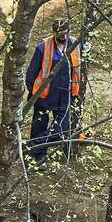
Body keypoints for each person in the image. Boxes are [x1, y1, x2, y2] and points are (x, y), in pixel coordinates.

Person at [25, 18, 81, 164]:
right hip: (44, 96)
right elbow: (31, 73)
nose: (64, 37)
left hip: (65, 96)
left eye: (66, 33)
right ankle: (39, 156)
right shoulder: (43, 47)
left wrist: (74, 93)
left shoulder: (76, 44)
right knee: (39, 126)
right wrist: (33, 93)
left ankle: (30, 146)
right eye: (61, 34)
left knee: (61, 129)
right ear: (54, 32)